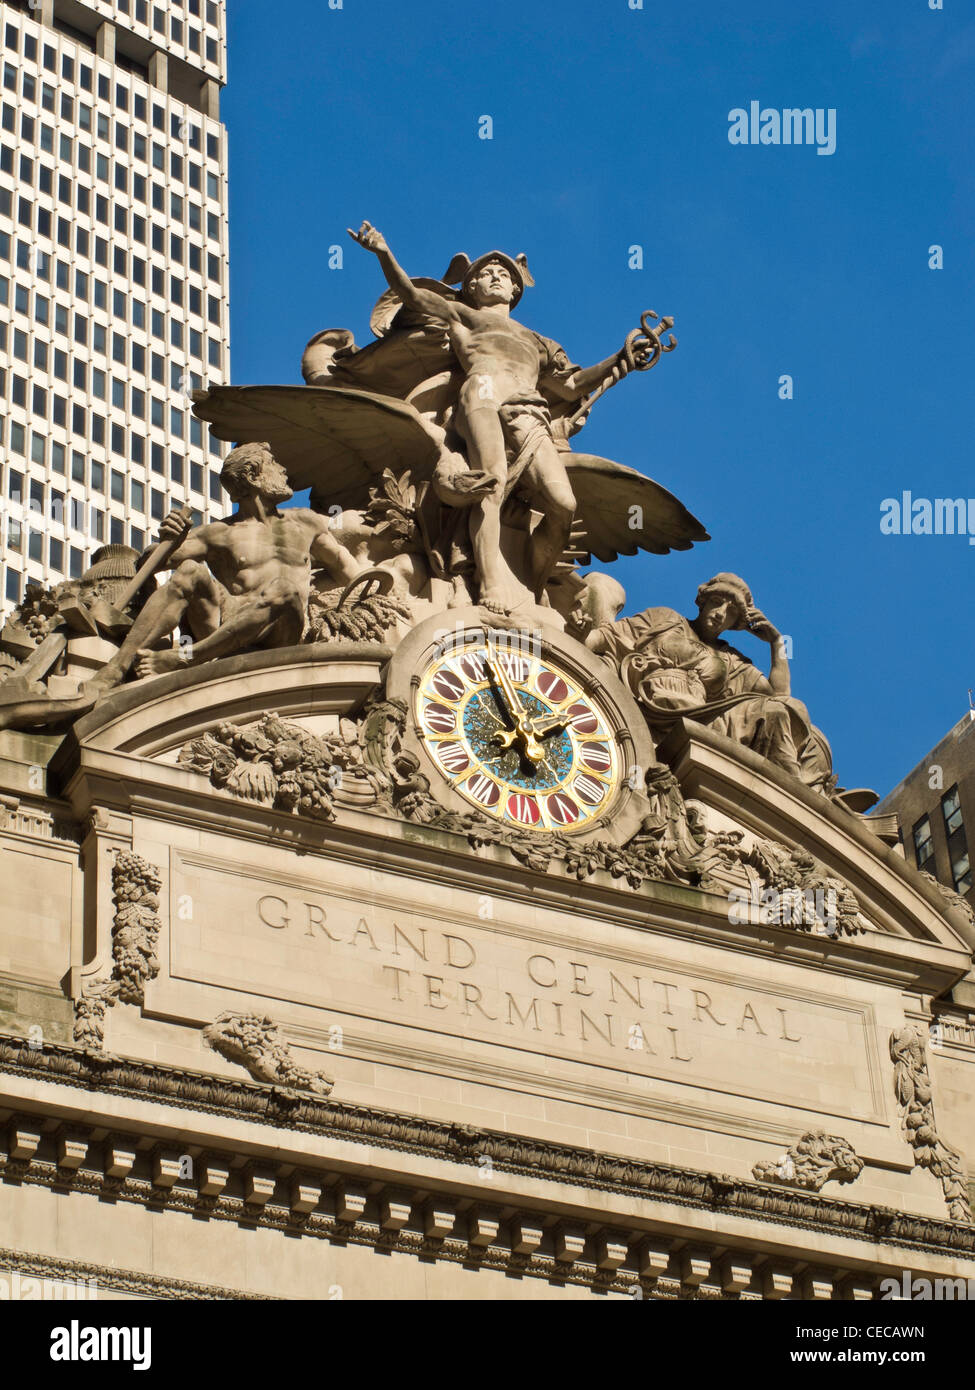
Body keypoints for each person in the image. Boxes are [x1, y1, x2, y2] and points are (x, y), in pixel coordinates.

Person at [348, 221, 649, 612]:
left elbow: (572, 386)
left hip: (530, 411)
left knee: (563, 503)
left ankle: (530, 588)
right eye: (485, 274)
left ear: (515, 290)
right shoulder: (463, 316)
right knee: (491, 482)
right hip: (482, 395)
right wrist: (383, 252)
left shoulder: (538, 342)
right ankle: (490, 582)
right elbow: (411, 294)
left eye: (503, 275)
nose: (494, 278)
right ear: (471, 287)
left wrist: (620, 358)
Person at [86, 442, 364, 692]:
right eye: (275, 465)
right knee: (190, 571)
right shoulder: (220, 533)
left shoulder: (306, 522)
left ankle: (185, 658)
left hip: (281, 633)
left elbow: (351, 574)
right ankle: (115, 669)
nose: (284, 470)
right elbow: (150, 562)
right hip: (226, 624)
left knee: (284, 590)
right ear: (254, 476)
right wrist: (170, 538)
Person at [586, 572, 835, 793]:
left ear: (736, 624)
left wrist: (777, 643)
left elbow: (780, 698)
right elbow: (609, 636)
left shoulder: (732, 660)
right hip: (652, 703)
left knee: (785, 711)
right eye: (716, 603)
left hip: (701, 720)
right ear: (703, 601)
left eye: (731, 613)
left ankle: (789, 797)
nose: (720, 614)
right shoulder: (665, 618)